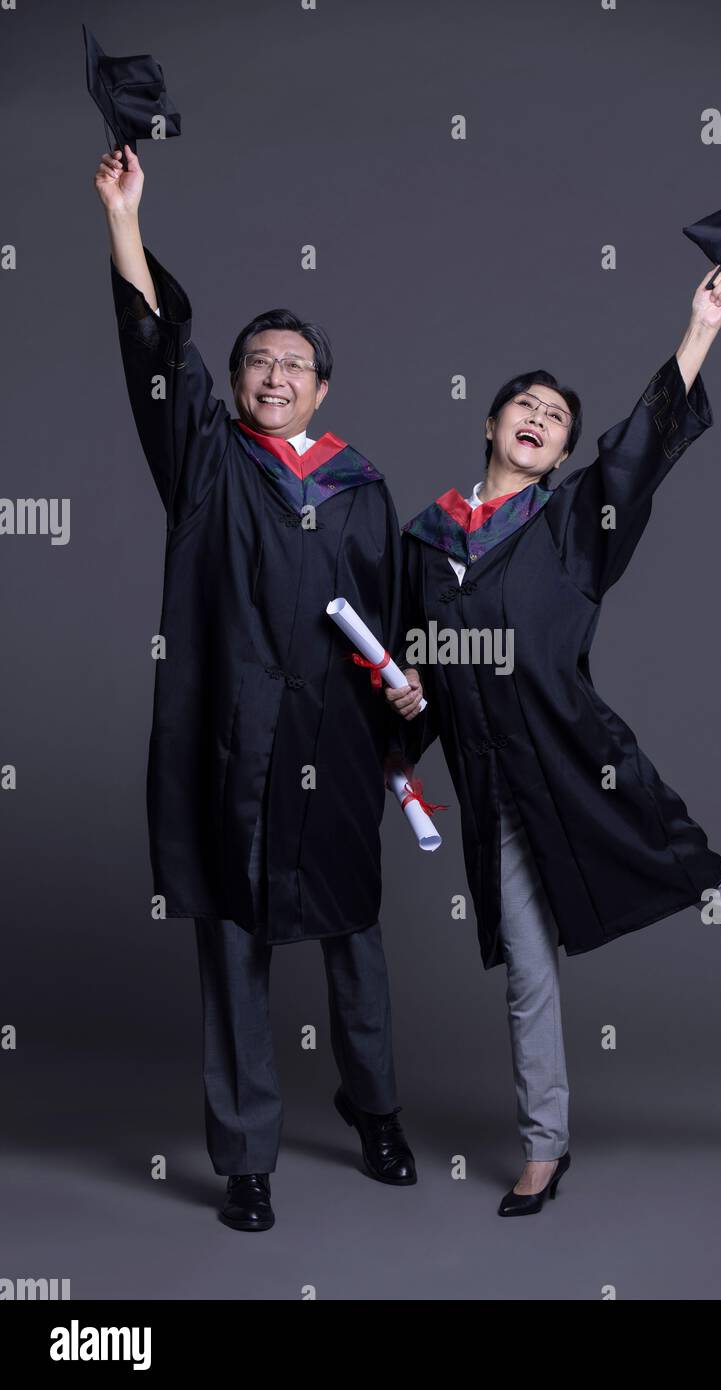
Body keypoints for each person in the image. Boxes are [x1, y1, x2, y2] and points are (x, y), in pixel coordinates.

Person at [388, 266, 721, 1218]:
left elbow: (639, 450)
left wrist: (699, 328)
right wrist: (397, 738)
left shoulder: (574, 521)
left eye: (554, 417)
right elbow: (421, 669)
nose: (536, 417)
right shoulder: (424, 541)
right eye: (520, 407)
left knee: (704, 879)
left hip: (582, 764)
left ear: (561, 449)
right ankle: (544, 1147)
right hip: (493, 788)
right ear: (490, 428)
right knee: (528, 978)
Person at [96, 143, 418, 1233]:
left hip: (333, 746)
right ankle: (245, 1157)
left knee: (354, 938)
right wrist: (127, 219)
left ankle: (374, 1109)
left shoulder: (361, 489)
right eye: (255, 361)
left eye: (293, 363)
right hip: (237, 746)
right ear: (236, 382)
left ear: (324, 387)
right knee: (232, 942)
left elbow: (391, 626)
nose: (273, 375)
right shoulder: (205, 458)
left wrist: (405, 709)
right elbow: (155, 354)